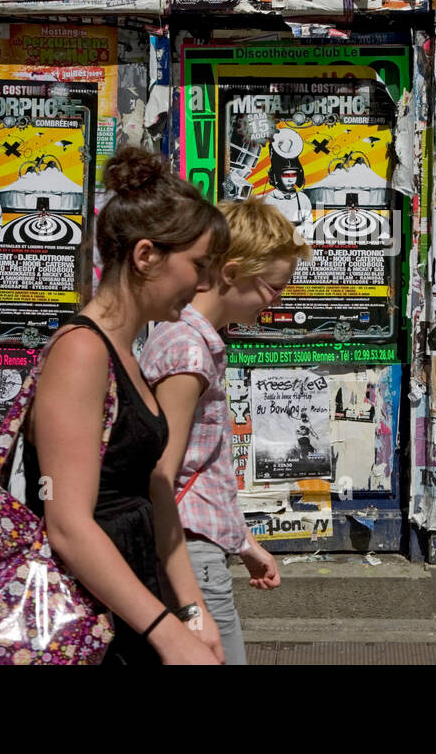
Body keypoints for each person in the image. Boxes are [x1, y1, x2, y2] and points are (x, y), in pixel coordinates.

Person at [23, 146, 230, 665]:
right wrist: (170, 633)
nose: (205, 284)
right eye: (198, 265)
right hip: (86, 613)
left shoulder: (125, 352)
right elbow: (68, 524)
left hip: (127, 598)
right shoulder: (81, 351)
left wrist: (192, 612)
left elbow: (154, 489)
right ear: (145, 256)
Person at [139, 196, 312, 664]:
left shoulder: (191, 342)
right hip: (188, 556)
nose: (277, 300)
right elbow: (162, 478)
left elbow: (201, 472)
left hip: (198, 547)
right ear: (232, 273)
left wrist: (245, 543)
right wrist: (192, 603)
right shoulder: (188, 353)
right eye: (273, 287)